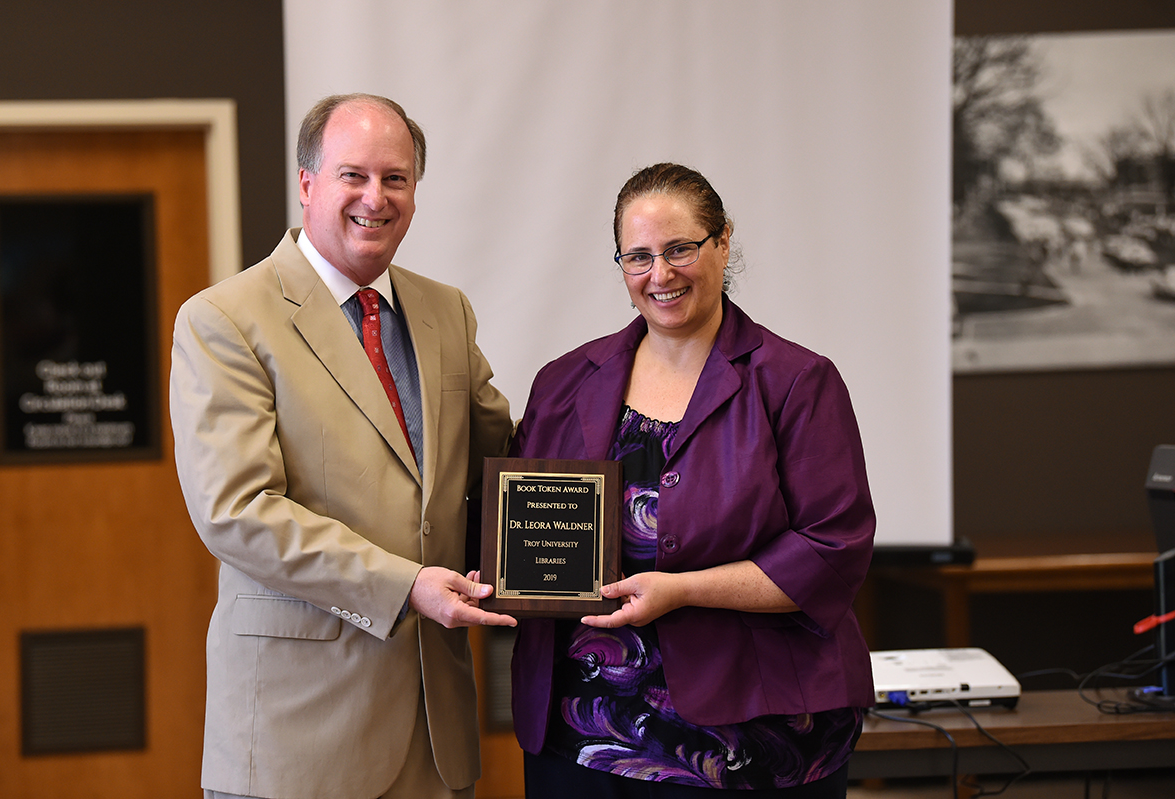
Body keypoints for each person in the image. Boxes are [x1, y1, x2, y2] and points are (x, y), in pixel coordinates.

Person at [169, 93, 516, 799]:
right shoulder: (224, 319)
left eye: (396, 179)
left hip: (435, 737)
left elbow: (500, 465)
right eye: (353, 175)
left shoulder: (446, 310)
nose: (375, 198)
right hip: (297, 740)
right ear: (307, 183)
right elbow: (237, 511)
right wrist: (404, 585)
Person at [509, 163, 876, 798]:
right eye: (639, 257)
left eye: (680, 248)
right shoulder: (564, 382)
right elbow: (521, 524)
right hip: (583, 737)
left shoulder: (796, 381)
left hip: (752, 740)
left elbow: (832, 553)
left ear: (723, 242)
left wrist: (682, 590)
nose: (661, 274)